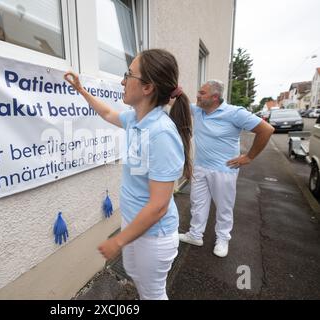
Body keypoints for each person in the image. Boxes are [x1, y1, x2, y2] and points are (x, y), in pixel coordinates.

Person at [64, 49, 192, 300]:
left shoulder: (161, 134)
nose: (123, 81)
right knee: (140, 284)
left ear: (147, 88)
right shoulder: (136, 119)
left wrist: (118, 241)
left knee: (153, 295)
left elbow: (158, 206)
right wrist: (81, 89)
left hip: (153, 238)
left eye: (128, 74)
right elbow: (107, 113)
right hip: (135, 228)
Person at [179, 80, 275, 257]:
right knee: (198, 203)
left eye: (202, 93)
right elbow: (178, 101)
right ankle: (195, 234)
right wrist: (176, 92)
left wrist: (249, 157)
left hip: (224, 170)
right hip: (200, 167)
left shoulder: (235, 113)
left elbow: (267, 130)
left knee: (224, 207)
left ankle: (223, 239)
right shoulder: (198, 110)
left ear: (215, 97)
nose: (198, 96)